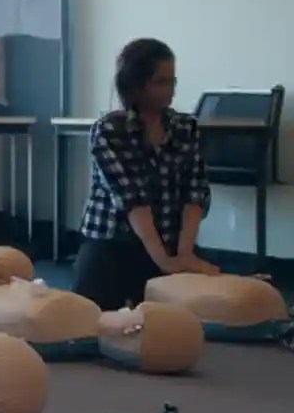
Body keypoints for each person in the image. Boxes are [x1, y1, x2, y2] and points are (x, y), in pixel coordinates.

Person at [73, 38, 218, 311]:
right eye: (160, 82)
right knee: (94, 323)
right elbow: (132, 201)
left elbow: (195, 193)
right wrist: (165, 263)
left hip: (169, 242)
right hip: (113, 245)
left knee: (174, 322)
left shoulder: (186, 128)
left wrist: (184, 255)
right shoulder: (110, 131)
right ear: (136, 84)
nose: (169, 90)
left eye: (172, 81)